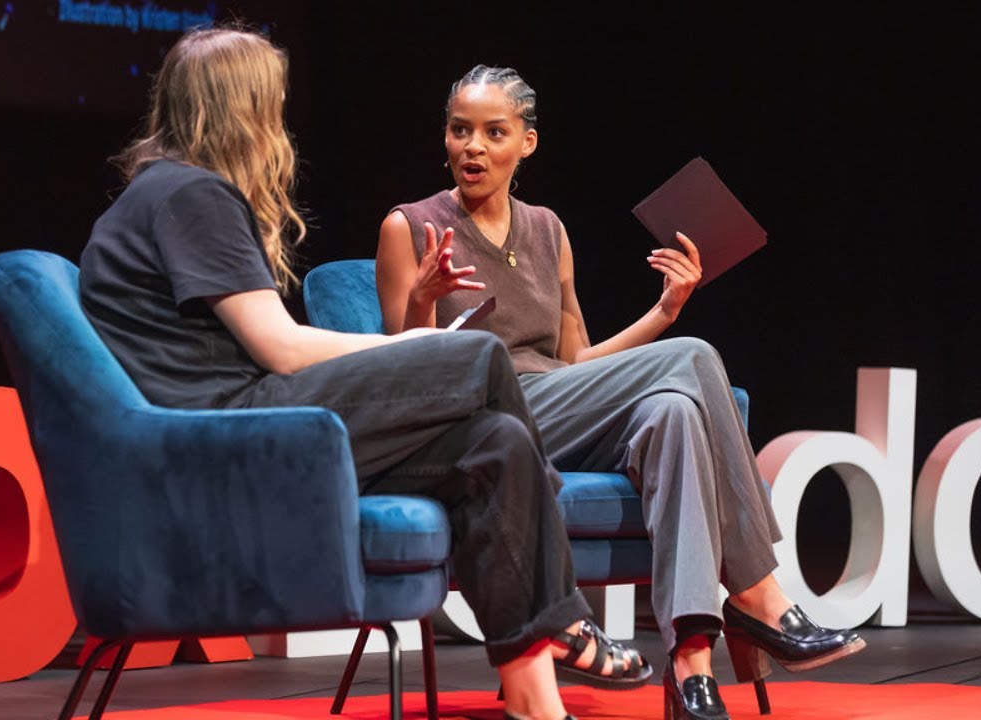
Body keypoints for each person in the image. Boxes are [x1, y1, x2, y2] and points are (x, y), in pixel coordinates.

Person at [78, 29, 653, 720]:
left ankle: (536, 704)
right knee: (477, 355)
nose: (278, 125)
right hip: (229, 432)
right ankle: (562, 607)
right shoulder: (191, 195)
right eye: (271, 105)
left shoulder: (168, 190)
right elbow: (279, 348)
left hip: (234, 415)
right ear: (239, 110)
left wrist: (410, 349)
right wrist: (407, 349)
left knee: (496, 443)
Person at [376, 64, 866, 720]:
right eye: (460, 130)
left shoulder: (547, 229)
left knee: (674, 410)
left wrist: (664, 313)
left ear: (527, 142)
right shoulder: (409, 226)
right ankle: (758, 595)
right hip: (489, 418)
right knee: (694, 358)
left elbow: (577, 361)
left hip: (561, 402)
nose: (474, 147)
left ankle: (691, 664)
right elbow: (401, 373)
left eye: (494, 132)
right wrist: (421, 300)